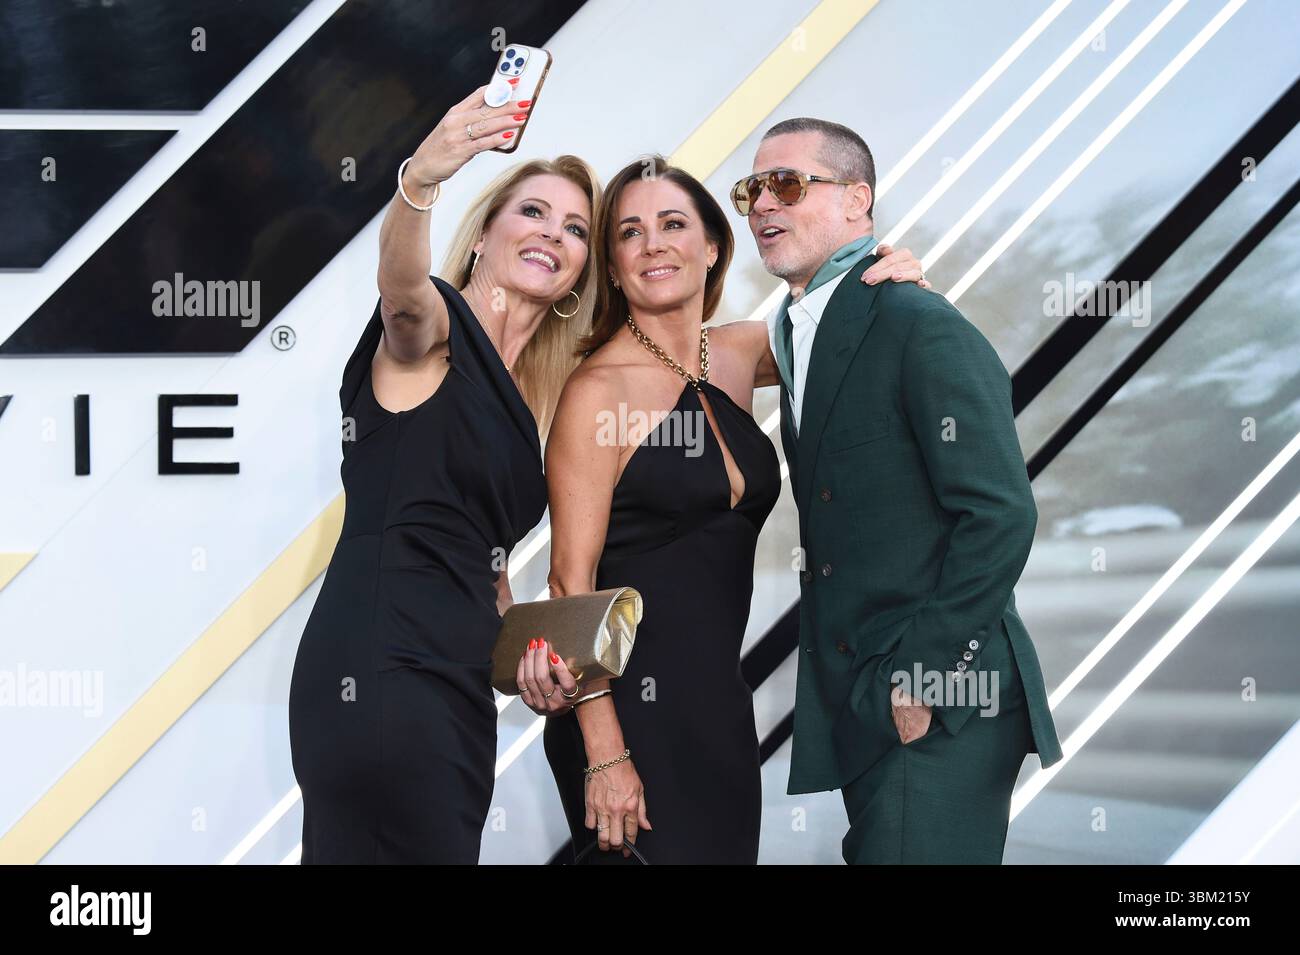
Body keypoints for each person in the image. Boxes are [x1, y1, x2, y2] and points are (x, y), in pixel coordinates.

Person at [517, 155, 924, 863]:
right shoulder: (598, 391)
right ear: (612, 266)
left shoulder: (741, 353)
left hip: (719, 713)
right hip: (625, 718)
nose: (654, 244)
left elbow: (849, 317)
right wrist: (605, 752)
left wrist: (895, 269)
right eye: (630, 232)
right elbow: (567, 586)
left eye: (673, 223)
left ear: (712, 246)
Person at [737, 117, 1064, 864]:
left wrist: (919, 680)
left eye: (786, 183)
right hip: (871, 704)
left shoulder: (918, 322)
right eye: (750, 188)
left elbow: (1000, 513)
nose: (761, 203)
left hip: (941, 701)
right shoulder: (800, 333)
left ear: (858, 201)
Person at [288, 84, 600, 863]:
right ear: (484, 232)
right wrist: (419, 183)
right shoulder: (434, 330)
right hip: (380, 670)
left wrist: (530, 658)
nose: (551, 234)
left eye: (574, 228)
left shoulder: (529, 400)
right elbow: (399, 296)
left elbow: (485, 578)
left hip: (456, 694)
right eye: (531, 212)